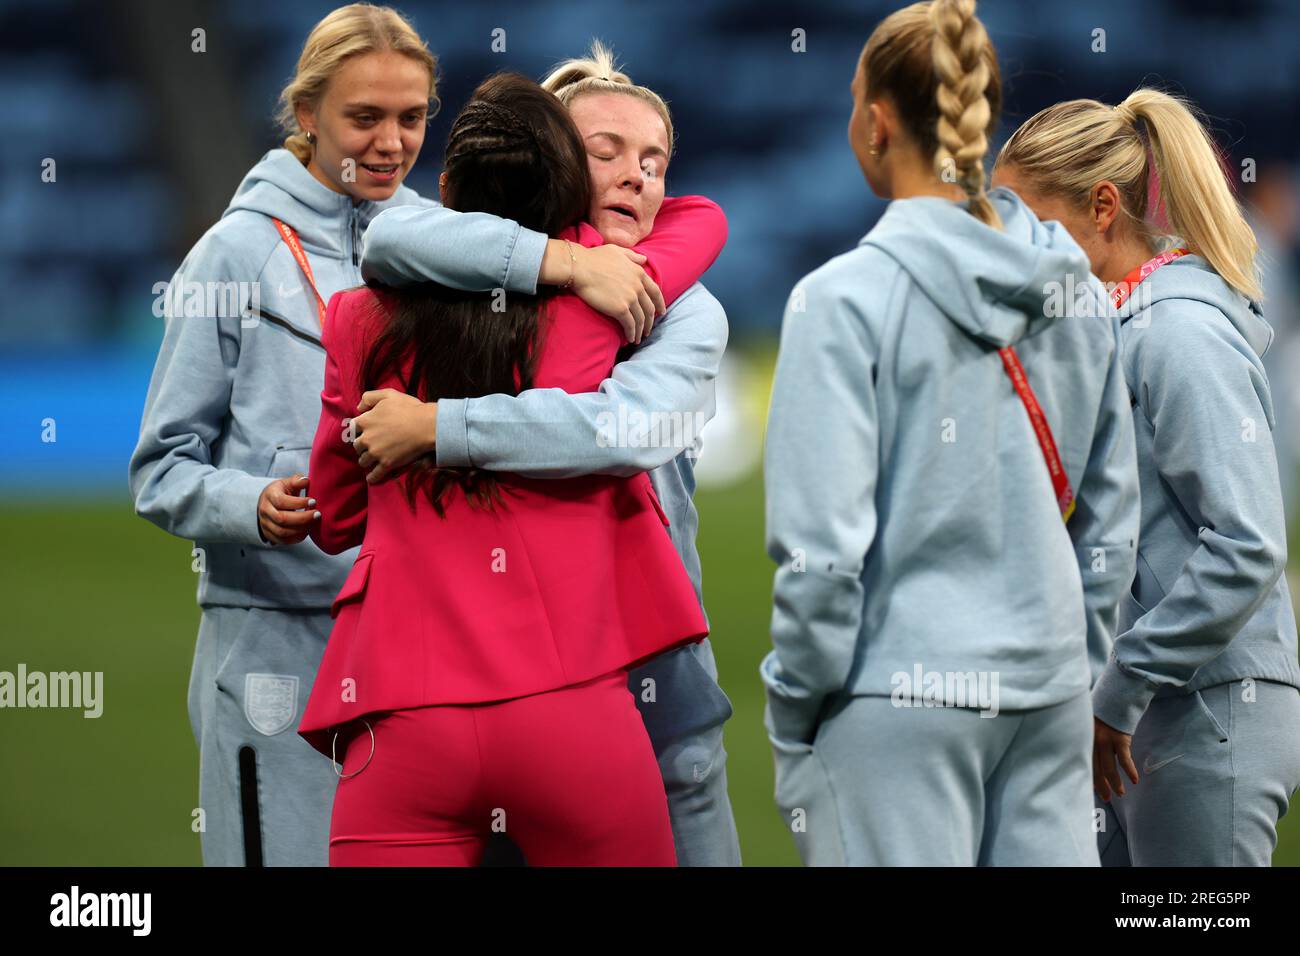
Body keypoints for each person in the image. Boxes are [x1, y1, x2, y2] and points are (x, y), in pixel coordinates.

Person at [126, 5, 653, 866]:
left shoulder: (442, 242)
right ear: (306, 115)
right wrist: (251, 501)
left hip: (421, 652)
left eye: (411, 118)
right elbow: (160, 467)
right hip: (277, 641)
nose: (390, 143)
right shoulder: (231, 257)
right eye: (362, 118)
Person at [299, 71, 727, 866]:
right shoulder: (601, 302)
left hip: (405, 704)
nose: (639, 175)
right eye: (607, 153)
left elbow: (336, 511)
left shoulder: (359, 313)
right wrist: (570, 264)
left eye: (657, 161)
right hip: (577, 689)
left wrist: (434, 427)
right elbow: (394, 237)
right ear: (561, 165)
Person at [760, 0, 1140, 866]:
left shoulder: (841, 298)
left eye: (857, 97)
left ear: (879, 120)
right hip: (1046, 700)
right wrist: (1067, 666)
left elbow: (821, 557)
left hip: (894, 701)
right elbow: (1109, 520)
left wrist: (794, 708)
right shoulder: (1075, 288)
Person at [995, 88, 1300, 866]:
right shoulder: (1106, 331)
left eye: (1031, 223)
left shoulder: (1181, 333)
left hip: (1207, 712)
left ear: (1103, 207)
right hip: (1139, 715)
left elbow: (1246, 546)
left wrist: (1120, 687)